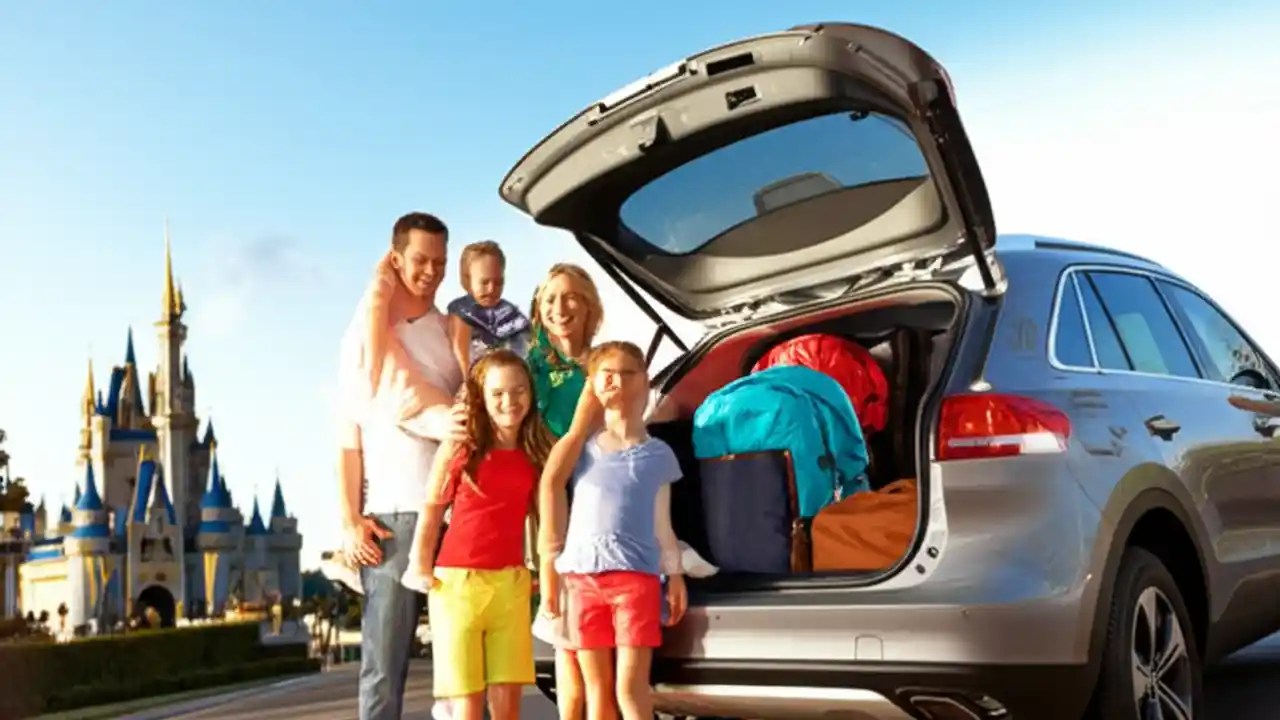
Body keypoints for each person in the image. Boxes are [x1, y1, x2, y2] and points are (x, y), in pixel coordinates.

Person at [336, 211, 466, 720]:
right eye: (419, 260)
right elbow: (347, 437)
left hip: (455, 517)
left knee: (460, 669)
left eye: (440, 261)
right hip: (390, 520)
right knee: (384, 669)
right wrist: (349, 518)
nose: (431, 271)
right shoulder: (363, 337)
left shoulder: (453, 333)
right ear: (396, 259)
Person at [538, 341, 688, 720]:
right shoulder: (581, 450)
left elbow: (662, 523)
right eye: (608, 374)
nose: (618, 381)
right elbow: (550, 483)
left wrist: (675, 575)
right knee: (596, 692)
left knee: (630, 690)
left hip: (636, 581)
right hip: (581, 582)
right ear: (593, 384)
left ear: (645, 381)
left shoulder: (659, 455)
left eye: (628, 373)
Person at [404, 350, 554, 720]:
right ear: (481, 398)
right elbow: (433, 507)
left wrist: (549, 576)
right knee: (468, 709)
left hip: (510, 587)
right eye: (498, 393)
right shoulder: (461, 447)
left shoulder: (537, 451)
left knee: (507, 707)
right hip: (455, 588)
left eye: (519, 390)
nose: (510, 401)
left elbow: (547, 519)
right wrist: (419, 564)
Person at [524, 263, 604, 720]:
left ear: (589, 304)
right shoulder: (532, 364)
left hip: (598, 499)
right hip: (553, 503)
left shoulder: (602, 362)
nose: (560, 307)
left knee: (584, 625)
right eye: (550, 299)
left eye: (571, 296)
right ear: (538, 309)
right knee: (566, 626)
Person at [447, 241, 532, 373]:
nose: (492, 289)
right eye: (484, 282)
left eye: (498, 282)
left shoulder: (509, 313)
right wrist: (468, 379)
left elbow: (527, 344)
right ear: (467, 281)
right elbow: (460, 351)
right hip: (477, 374)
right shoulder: (463, 310)